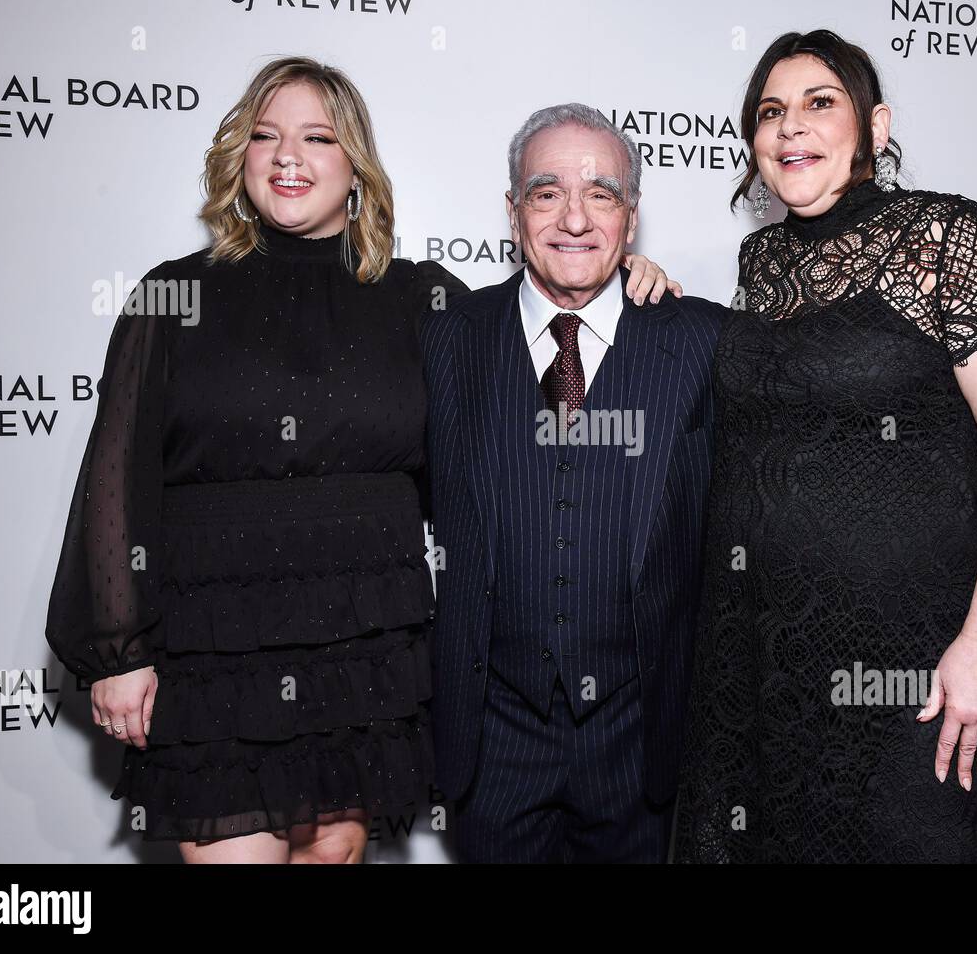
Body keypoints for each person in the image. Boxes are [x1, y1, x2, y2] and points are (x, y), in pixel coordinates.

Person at [45, 54, 672, 863]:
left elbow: (542, 327)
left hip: (362, 648)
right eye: (265, 136)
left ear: (356, 170)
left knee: (334, 856)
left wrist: (628, 281)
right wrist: (116, 653)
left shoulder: (419, 299)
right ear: (240, 156)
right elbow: (114, 482)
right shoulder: (174, 296)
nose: (288, 156)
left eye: (317, 136)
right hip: (221, 653)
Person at [673, 30, 977, 863]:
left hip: (914, 664)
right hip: (768, 660)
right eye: (771, 111)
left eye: (821, 103)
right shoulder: (763, 261)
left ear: (875, 128)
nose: (790, 127)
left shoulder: (946, 235)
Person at [420, 104, 727, 863]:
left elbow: (801, 448)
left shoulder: (702, 340)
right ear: (513, 211)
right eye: (546, 191)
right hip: (493, 739)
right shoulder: (445, 336)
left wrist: (961, 442)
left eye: (602, 193)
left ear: (631, 214)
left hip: (639, 736)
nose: (575, 218)